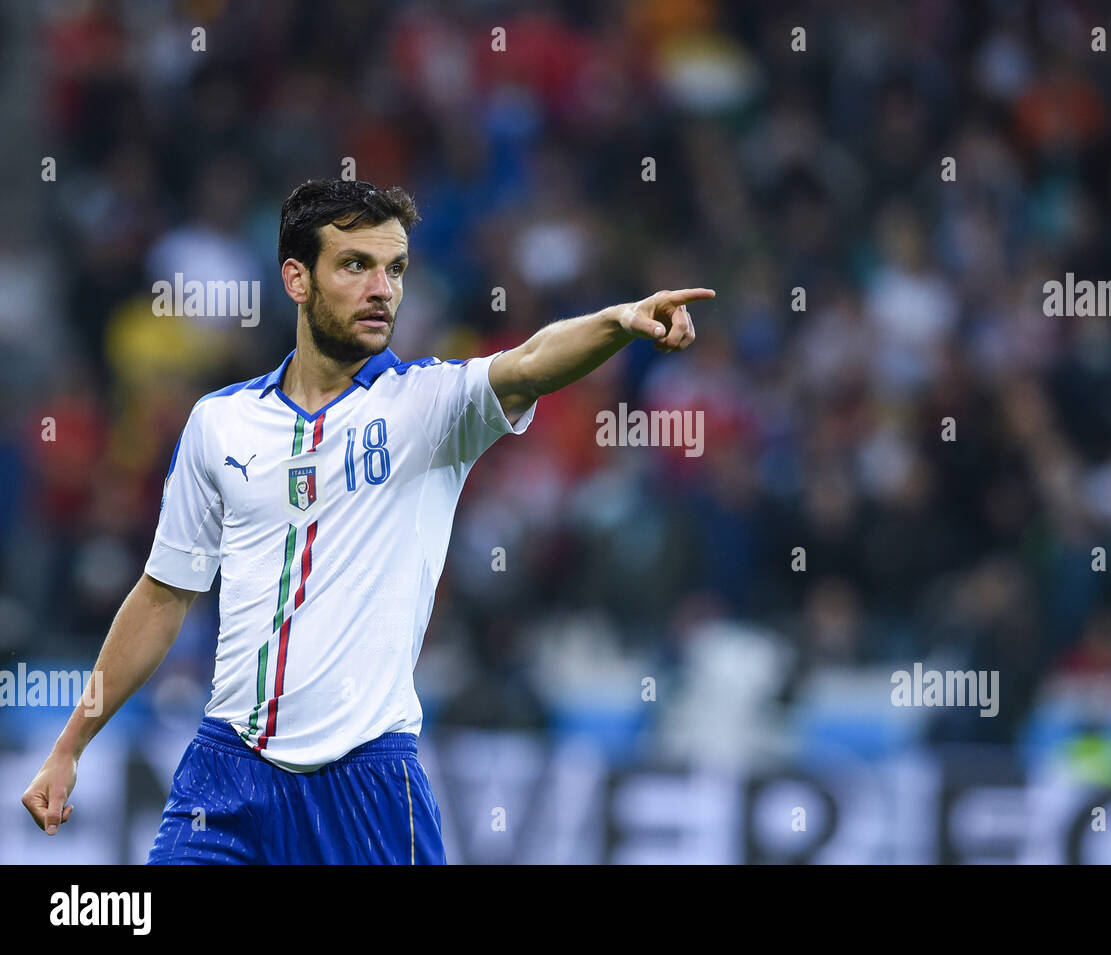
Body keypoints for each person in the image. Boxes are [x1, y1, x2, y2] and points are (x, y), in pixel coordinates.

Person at [21, 178, 712, 863]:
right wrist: (69, 746)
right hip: (226, 774)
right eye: (356, 265)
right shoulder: (219, 424)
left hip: (368, 785)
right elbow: (164, 593)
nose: (384, 288)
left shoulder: (429, 407)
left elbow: (530, 363)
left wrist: (620, 321)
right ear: (297, 278)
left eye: (396, 269)